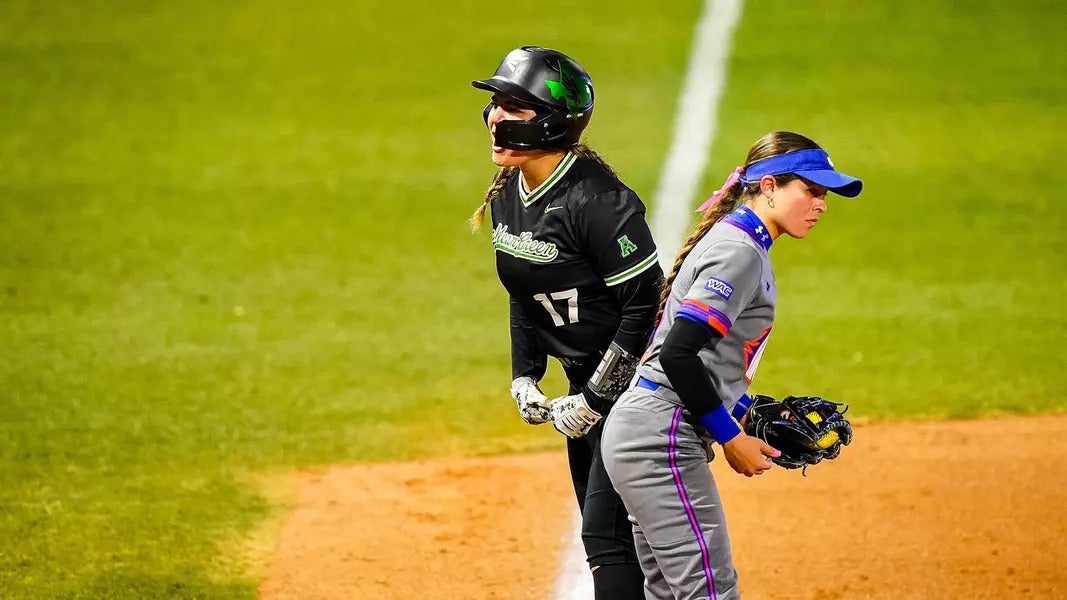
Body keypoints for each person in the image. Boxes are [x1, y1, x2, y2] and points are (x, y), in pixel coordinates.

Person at [601, 131, 863, 599]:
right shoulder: (739, 252)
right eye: (813, 190)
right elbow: (678, 354)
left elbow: (700, 359)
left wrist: (750, 411)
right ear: (768, 187)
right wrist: (731, 437)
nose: (822, 204)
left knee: (670, 593)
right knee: (710, 592)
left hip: (648, 429)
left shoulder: (739, 242)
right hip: (660, 434)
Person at [469, 46, 663, 599]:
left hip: (640, 390)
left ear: (551, 122)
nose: (495, 118)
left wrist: (598, 398)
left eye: (513, 107)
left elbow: (645, 302)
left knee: (606, 535)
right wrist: (524, 372)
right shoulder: (511, 190)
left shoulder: (600, 202)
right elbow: (524, 287)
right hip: (588, 386)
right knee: (615, 538)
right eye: (495, 105)